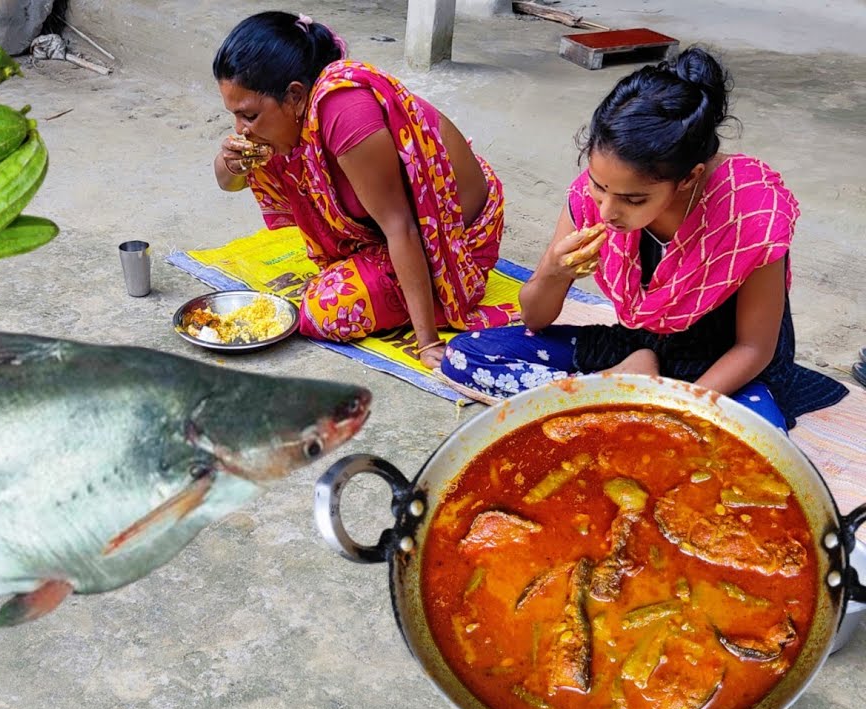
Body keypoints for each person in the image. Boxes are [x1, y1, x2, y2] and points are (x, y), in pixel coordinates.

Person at [439, 47, 847, 429]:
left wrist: (682, 409)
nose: (607, 212)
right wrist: (552, 271)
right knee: (465, 356)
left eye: (633, 199)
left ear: (689, 178)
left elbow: (754, 349)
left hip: (724, 367)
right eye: (599, 187)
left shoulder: (751, 212)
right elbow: (535, 318)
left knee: (755, 439)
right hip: (637, 345)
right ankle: (625, 385)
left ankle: (612, 398)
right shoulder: (592, 197)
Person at [211, 11, 515, 368]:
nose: (241, 129)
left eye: (248, 116)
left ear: (294, 96)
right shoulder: (293, 121)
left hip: (453, 244)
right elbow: (228, 181)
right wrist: (231, 162)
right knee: (271, 159)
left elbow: (400, 225)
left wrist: (427, 341)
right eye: (234, 116)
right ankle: (379, 272)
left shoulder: (344, 110)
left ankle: (436, 297)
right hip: (396, 231)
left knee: (325, 311)